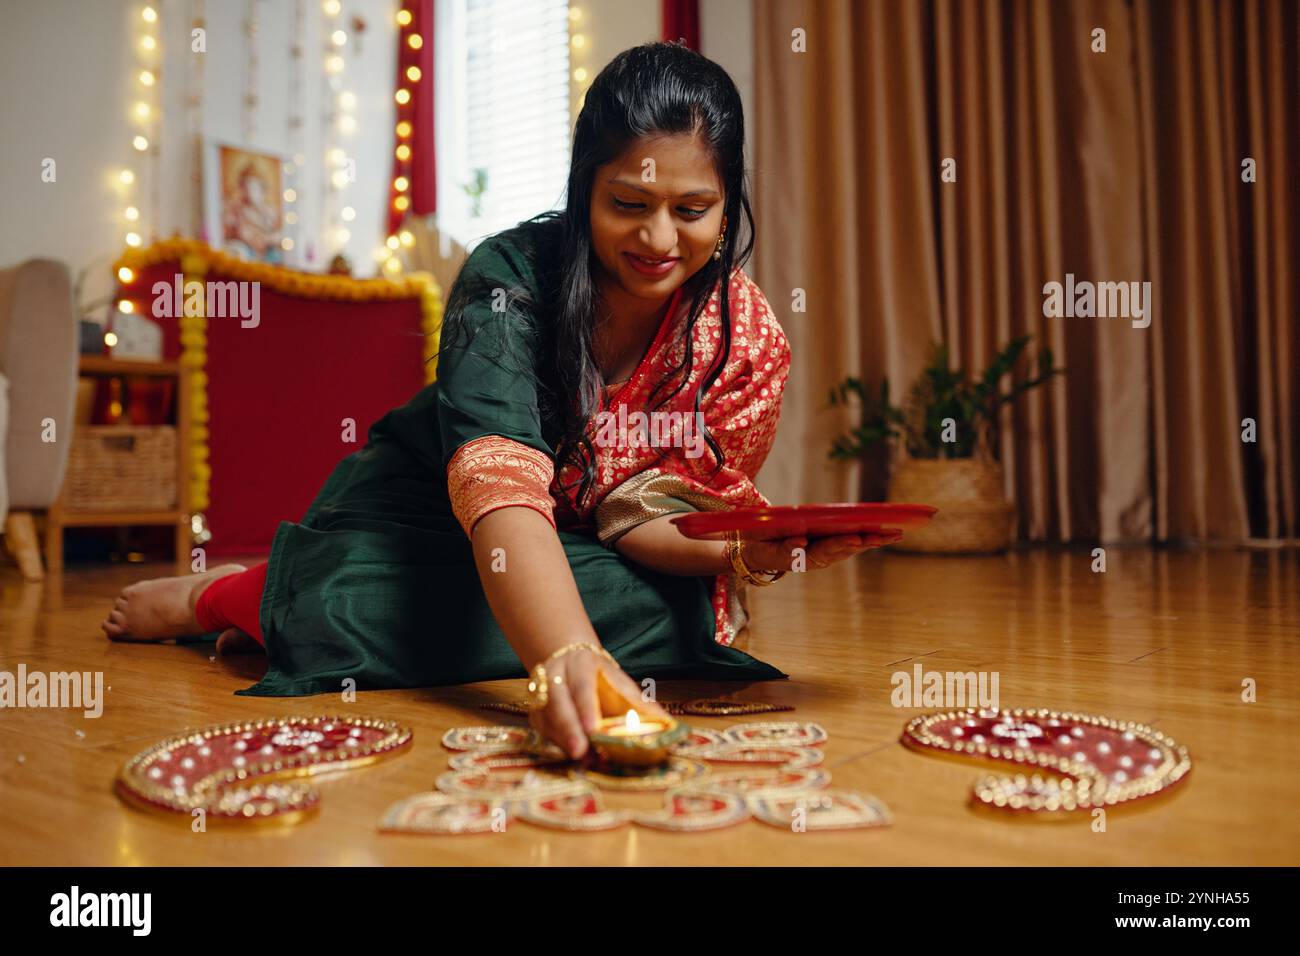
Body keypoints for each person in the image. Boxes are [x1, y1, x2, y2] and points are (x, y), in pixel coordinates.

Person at [102, 42, 894, 760]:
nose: (658, 239)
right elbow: (505, 498)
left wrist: (745, 553)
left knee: (677, 610)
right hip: (421, 512)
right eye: (629, 203)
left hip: (583, 548)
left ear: (725, 211)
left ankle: (302, 606)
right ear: (585, 189)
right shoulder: (508, 278)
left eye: (691, 211)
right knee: (419, 594)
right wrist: (567, 659)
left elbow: (637, 519)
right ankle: (237, 593)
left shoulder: (741, 335)